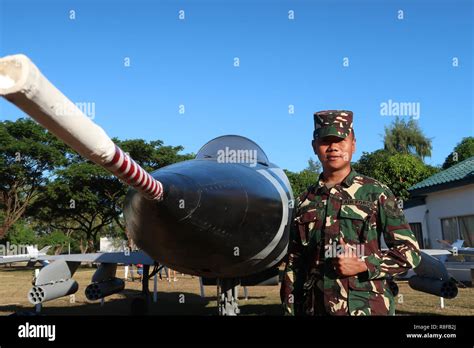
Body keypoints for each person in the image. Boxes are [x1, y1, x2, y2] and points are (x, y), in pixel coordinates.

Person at [280, 110, 421, 316]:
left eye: (341, 140)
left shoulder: (376, 193)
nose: (334, 147)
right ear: (314, 146)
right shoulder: (304, 201)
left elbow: (410, 251)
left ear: (353, 144)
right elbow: (294, 264)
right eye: (325, 141)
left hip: (366, 308)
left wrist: (364, 263)